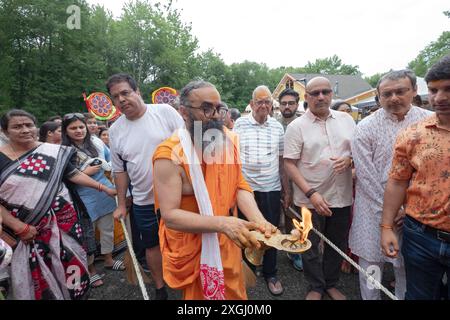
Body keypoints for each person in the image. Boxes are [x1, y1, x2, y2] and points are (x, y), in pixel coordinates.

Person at [152, 80, 276, 299]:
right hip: (196, 245)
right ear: (183, 112)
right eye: (206, 108)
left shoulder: (226, 140)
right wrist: (222, 223)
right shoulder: (169, 155)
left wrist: (258, 220)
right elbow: (170, 216)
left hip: (229, 238)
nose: (216, 115)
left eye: (219, 108)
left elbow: (238, 185)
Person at [0, 109, 116, 300]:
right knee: (35, 272)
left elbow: (74, 175)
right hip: (24, 228)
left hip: (63, 221)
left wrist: (105, 189)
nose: (25, 130)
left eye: (28, 125)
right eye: (17, 126)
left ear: (36, 128)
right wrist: (18, 226)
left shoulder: (52, 152)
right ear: (5, 131)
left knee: (69, 261)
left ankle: (75, 295)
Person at [350, 70, 432, 300]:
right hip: (372, 209)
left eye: (401, 91)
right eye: (387, 93)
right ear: (378, 97)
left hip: (415, 212)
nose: (394, 98)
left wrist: (407, 208)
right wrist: (392, 209)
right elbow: (365, 176)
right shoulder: (365, 127)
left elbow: (432, 174)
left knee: (405, 267)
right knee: (372, 267)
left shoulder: (429, 123)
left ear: (414, 91)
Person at [107, 73, 184, 300]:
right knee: (151, 246)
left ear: (137, 91)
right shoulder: (115, 130)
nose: (121, 100)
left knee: (183, 241)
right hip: (143, 200)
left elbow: (188, 145)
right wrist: (121, 204)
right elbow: (120, 170)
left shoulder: (165, 112)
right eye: (115, 97)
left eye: (125, 93)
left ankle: (187, 281)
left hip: (178, 196)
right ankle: (160, 286)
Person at [381, 55, 450, 300]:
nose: (439, 98)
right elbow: (397, 181)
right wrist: (387, 226)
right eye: (434, 90)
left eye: (448, 89)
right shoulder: (413, 134)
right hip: (420, 235)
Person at [284, 77, 355, 300]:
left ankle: (331, 283)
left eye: (325, 92)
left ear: (331, 94)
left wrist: (350, 161)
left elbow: (358, 152)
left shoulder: (347, 120)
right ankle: (315, 286)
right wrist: (311, 194)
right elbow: (289, 164)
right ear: (307, 97)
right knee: (309, 246)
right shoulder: (297, 126)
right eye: (315, 93)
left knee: (337, 244)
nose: (321, 96)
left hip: (341, 196)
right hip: (309, 199)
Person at [234, 85, 288, 296]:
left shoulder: (277, 127)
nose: (264, 105)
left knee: (271, 231)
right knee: (246, 230)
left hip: (271, 187)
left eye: (267, 101)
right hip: (245, 188)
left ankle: (271, 273)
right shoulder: (240, 124)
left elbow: (281, 159)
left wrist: (285, 188)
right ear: (252, 103)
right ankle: (247, 268)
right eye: (260, 101)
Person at [61, 113, 124, 288]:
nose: (79, 130)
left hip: (105, 194)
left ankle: (109, 260)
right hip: (83, 198)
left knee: (107, 229)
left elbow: (111, 160)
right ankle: (91, 269)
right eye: (73, 128)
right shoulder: (63, 150)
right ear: (65, 131)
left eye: (81, 127)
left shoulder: (96, 142)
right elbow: (65, 177)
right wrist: (84, 173)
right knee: (88, 234)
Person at [276, 88, 304, 272]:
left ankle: (301, 250)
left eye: (291, 103)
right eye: (284, 103)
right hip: (277, 177)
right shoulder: (275, 124)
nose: (287, 106)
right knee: (287, 215)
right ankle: (291, 251)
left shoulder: (304, 123)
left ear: (297, 104)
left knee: (301, 217)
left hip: (301, 177)